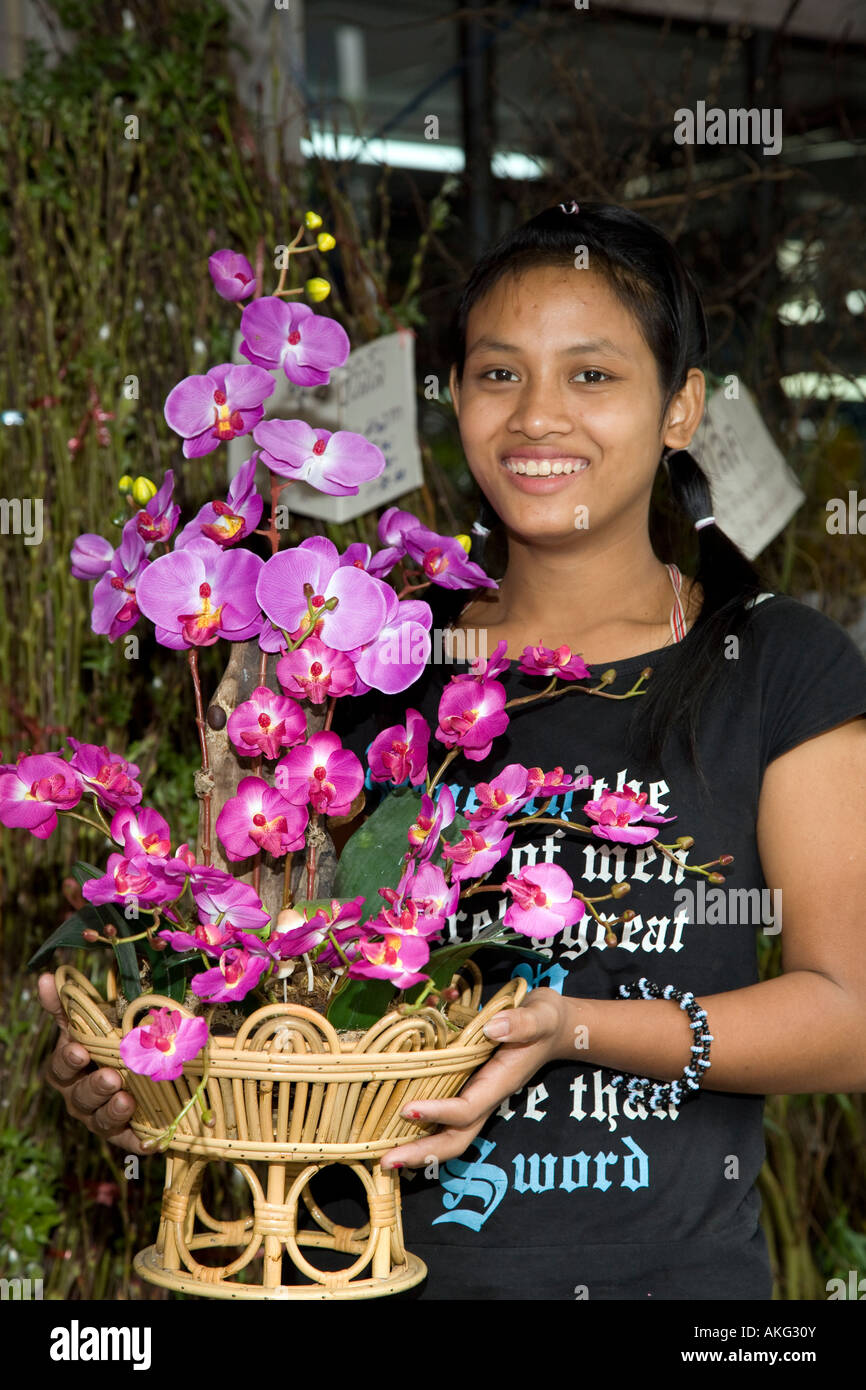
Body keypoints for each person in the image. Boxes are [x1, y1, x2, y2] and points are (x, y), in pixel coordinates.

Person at [39, 202, 866, 1301]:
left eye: (590, 376)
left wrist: (572, 1026)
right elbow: (240, 953)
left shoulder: (769, 661)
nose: (536, 418)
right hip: (357, 1274)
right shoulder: (362, 662)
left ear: (679, 409)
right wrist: (133, 1059)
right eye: (495, 374)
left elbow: (846, 1016)